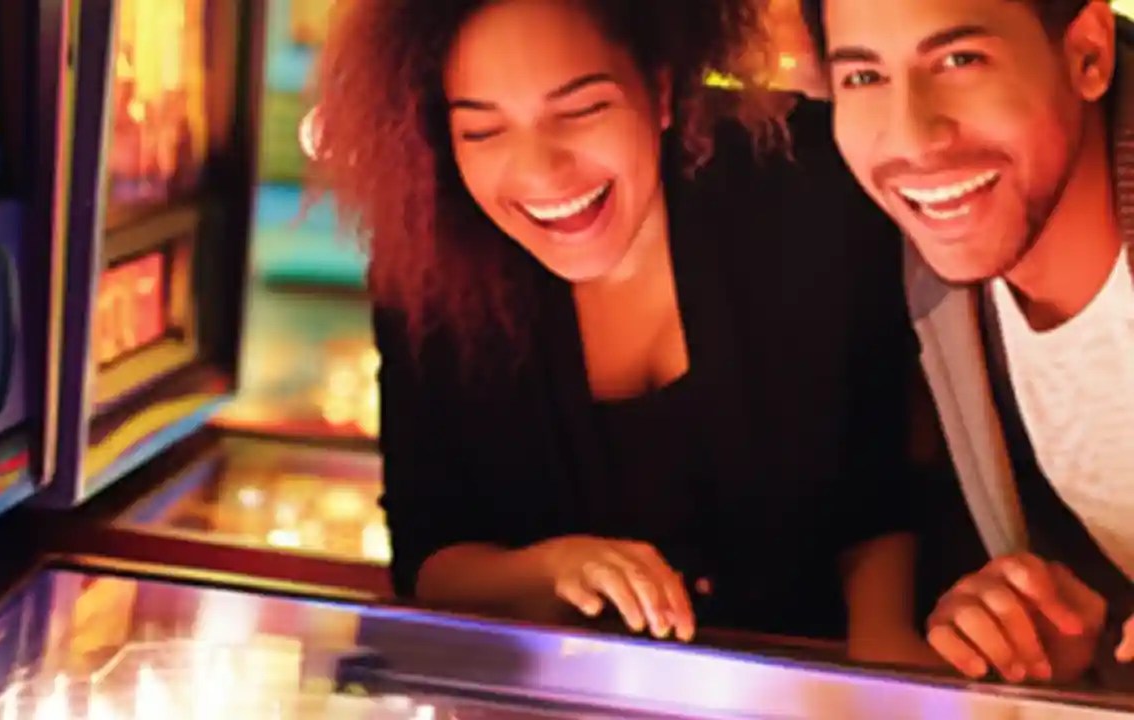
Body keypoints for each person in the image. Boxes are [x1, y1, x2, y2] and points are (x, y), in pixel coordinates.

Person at [312, 0, 926, 660]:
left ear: (660, 91)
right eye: (483, 132)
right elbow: (430, 554)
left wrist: (885, 651)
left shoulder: (806, 186)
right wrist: (550, 570)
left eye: (582, 111)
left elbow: (882, 484)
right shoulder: (430, 274)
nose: (543, 172)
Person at [803, 0, 1134, 688]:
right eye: (863, 77)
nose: (912, 137)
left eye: (960, 60)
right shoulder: (930, 274)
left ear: (1088, 57)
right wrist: (1050, 643)